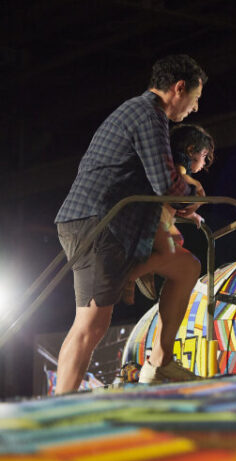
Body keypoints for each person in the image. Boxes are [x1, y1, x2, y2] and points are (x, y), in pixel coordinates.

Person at [54, 55, 207, 393]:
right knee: (91, 325)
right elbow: (165, 183)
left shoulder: (145, 114)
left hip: (112, 227)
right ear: (179, 88)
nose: (195, 108)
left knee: (186, 267)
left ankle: (160, 363)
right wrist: (193, 196)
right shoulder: (148, 116)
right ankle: (56, 407)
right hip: (98, 224)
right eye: (195, 98)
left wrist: (181, 201)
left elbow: (157, 183)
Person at [123, 123, 215, 302]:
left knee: (176, 241)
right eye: (203, 156)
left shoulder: (168, 165)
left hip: (160, 216)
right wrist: (197, 186)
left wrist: (191, 214)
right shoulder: (180, 161)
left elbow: (175, 202)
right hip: (155, 217)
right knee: (169, 250)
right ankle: (132, 274)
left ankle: (145, 268)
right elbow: (179, 177)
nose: (204, 163)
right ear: (191, 150)